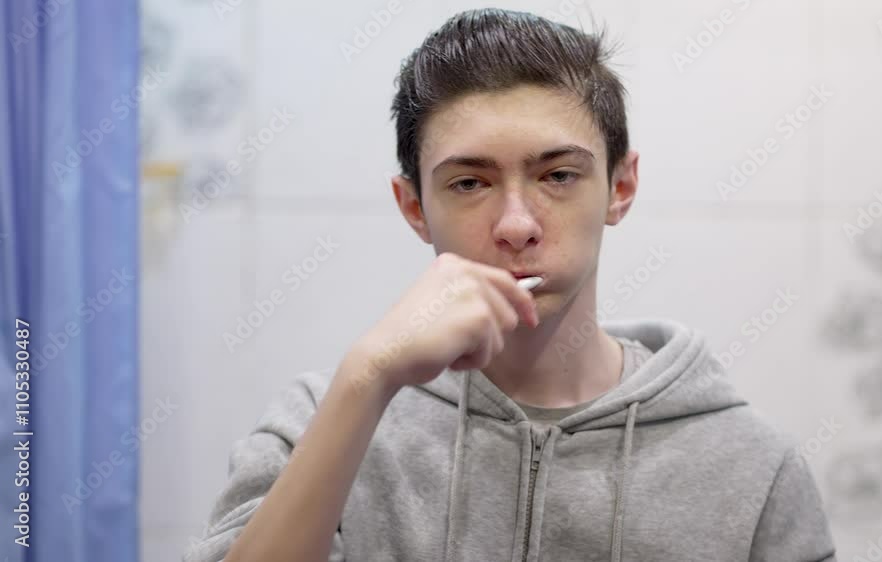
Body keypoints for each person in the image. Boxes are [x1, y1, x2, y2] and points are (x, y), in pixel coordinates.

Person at [184, 8, 838, 562]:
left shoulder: (752, 469)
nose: (518, 224)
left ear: (621, 186)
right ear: (414, 207)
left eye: (558, 175)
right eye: (469, 183)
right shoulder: (320, 424)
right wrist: (367, 378)